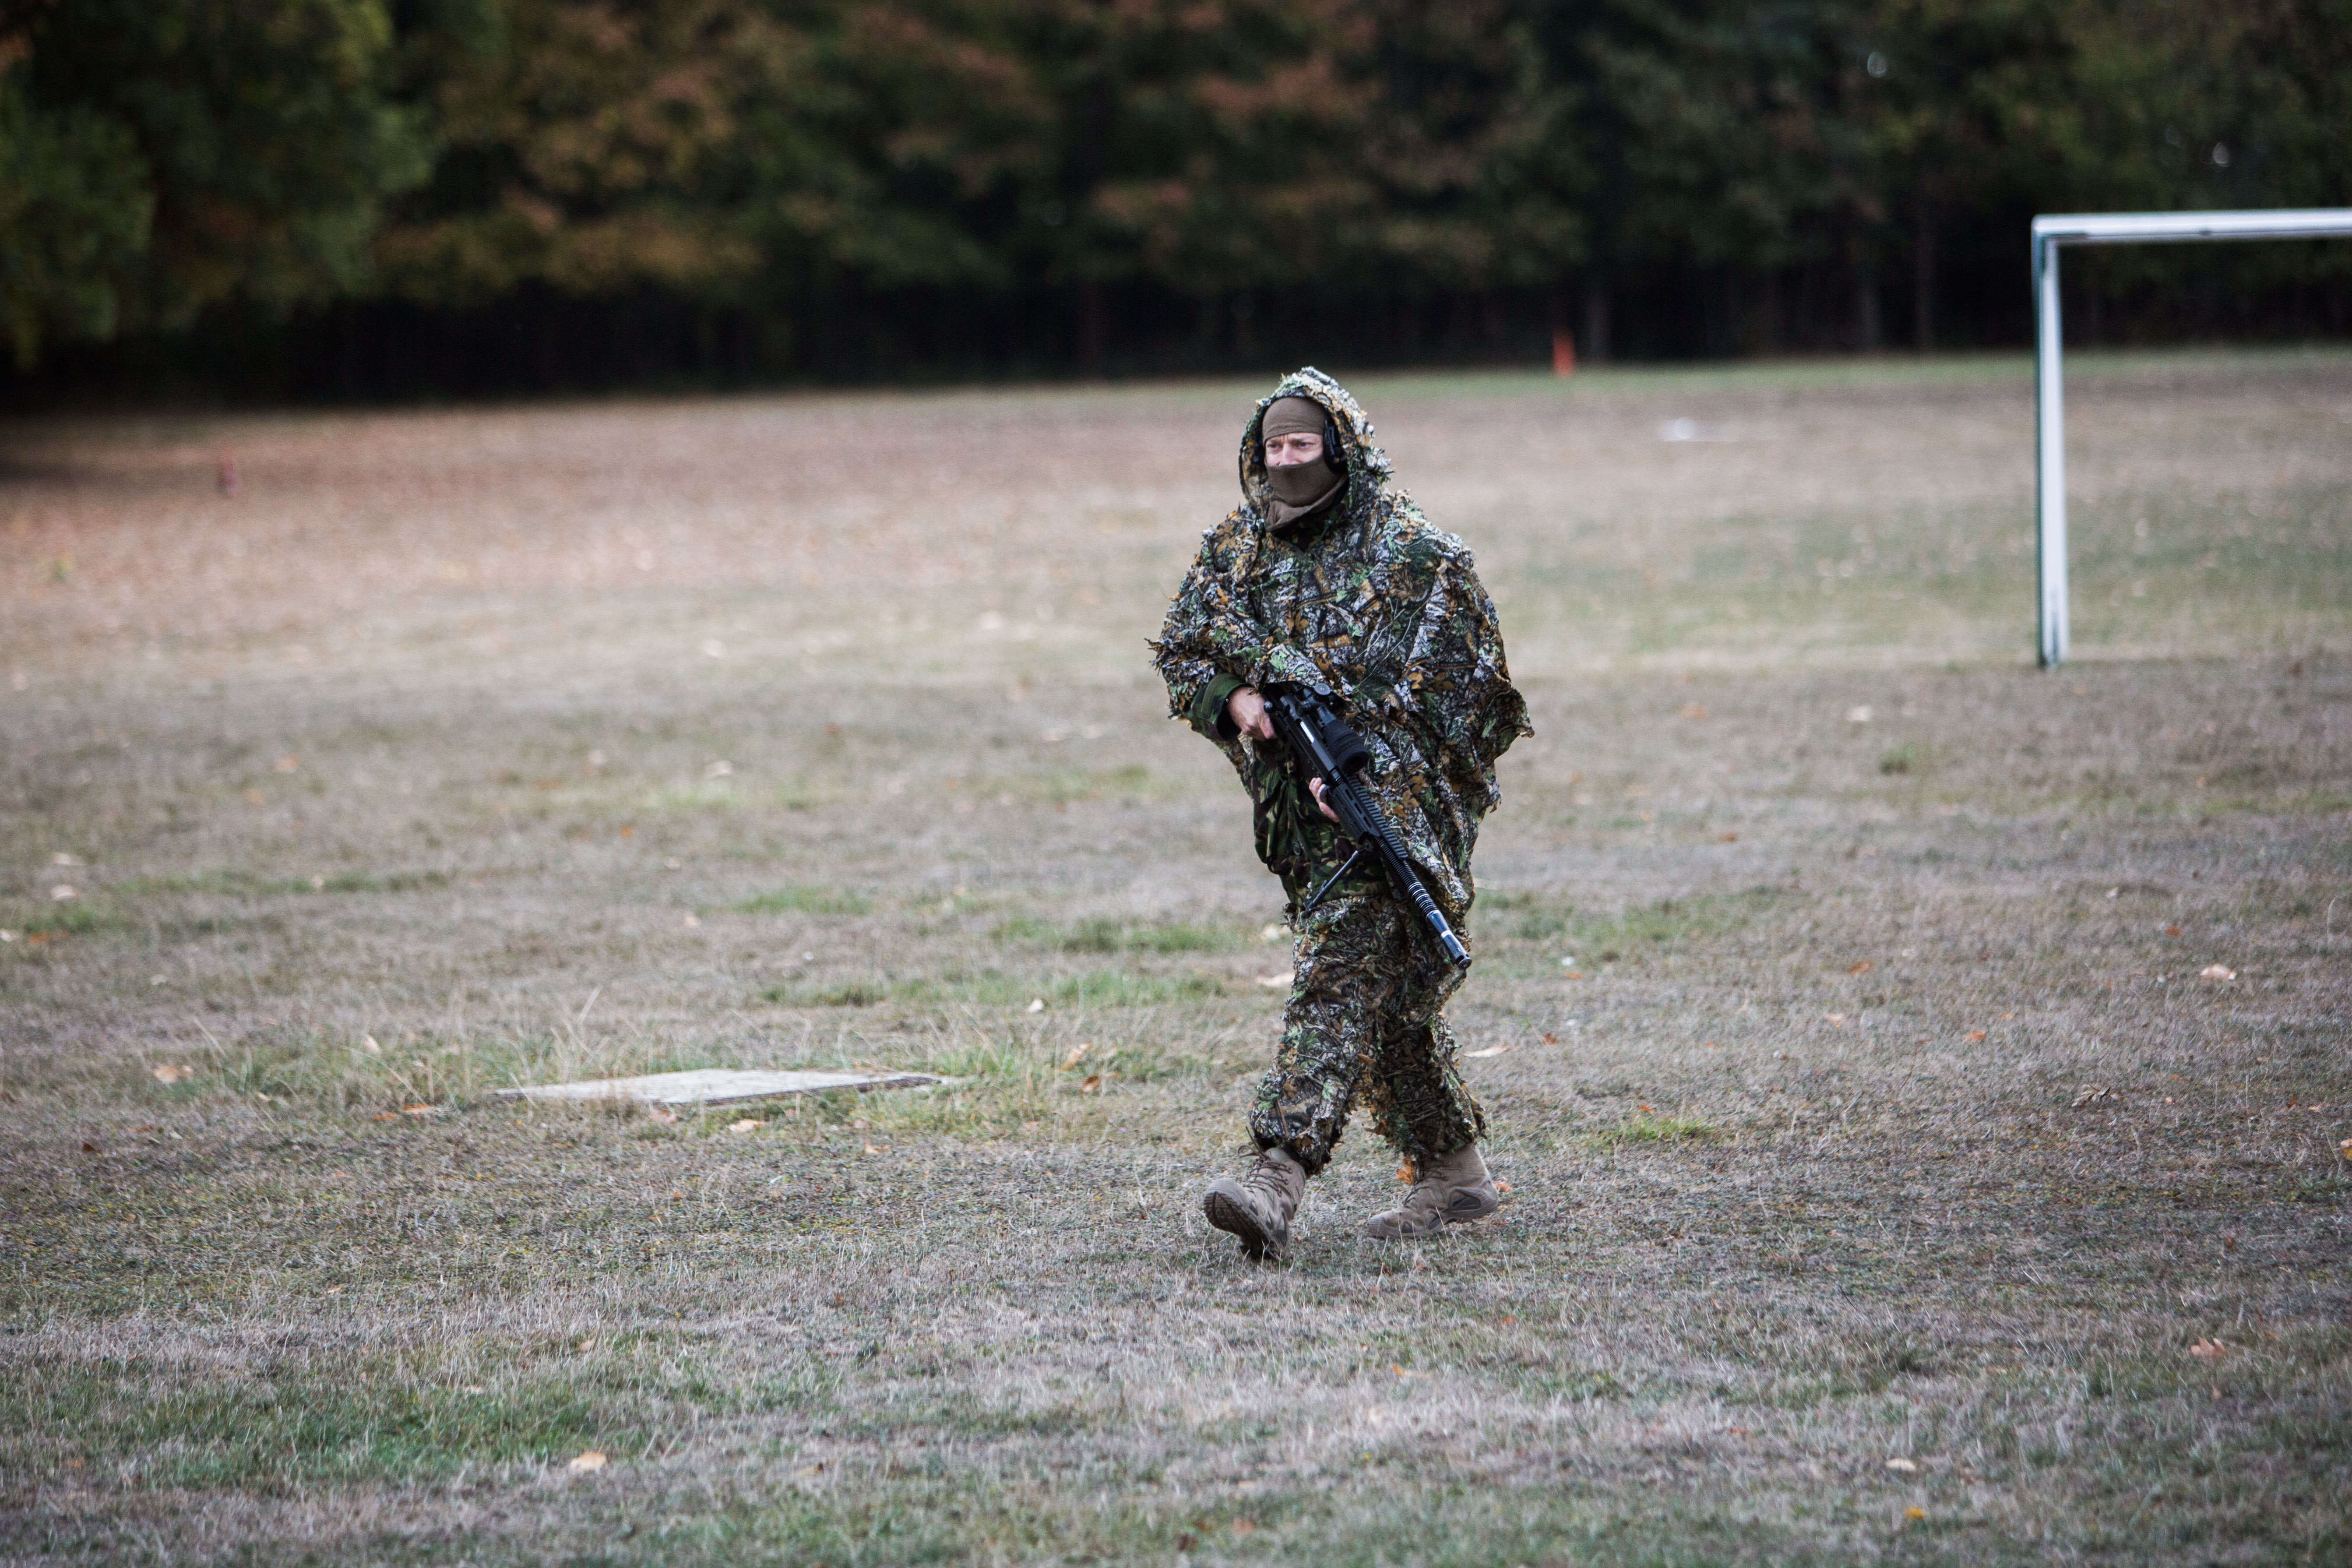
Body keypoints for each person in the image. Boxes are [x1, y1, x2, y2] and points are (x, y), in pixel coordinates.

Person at [1151, 368, 1530, 1261]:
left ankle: (1276, 1177)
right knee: (1386, 1005)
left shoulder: (1414, 556)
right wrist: (1237, 703)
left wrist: (1373, 775)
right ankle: (1456, 1173)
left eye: (1303, 444)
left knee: (1337, 976)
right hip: (1299, 814)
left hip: (1395, 814)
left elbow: (1466, 697)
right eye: (1273, 446)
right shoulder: (1237, 551)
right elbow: (1183, 649)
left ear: (1341, 448)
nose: (1288, 462)